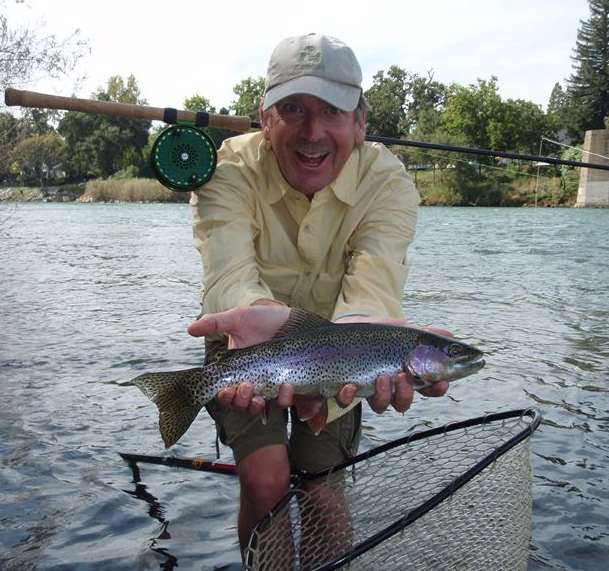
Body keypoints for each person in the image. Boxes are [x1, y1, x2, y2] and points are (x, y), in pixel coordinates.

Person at [188, 33, 449, 561]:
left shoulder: (389, 184)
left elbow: (373, 286)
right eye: (293, 109)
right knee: (266, 479)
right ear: (265, 120)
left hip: (344, 349)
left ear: (359, 124)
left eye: (332, 110)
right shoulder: (226, 172)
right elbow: (230, 274)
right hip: (244, 339)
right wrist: (263, 320)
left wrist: (368, 341)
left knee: (323, 490)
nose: (312, 131)